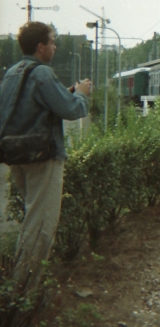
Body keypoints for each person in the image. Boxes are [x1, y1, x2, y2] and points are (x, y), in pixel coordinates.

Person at [0, 22, 92, 302]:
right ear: (40, 47)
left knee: (32, 220)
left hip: (17, 155)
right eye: (52, 42)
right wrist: (81, 94)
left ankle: (20, 285)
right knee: (41, 225)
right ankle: (22, 296)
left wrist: (66, 90)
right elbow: (71, 109)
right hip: (43, 156)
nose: (55, 47)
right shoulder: (42, 73)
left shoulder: (13, 73)